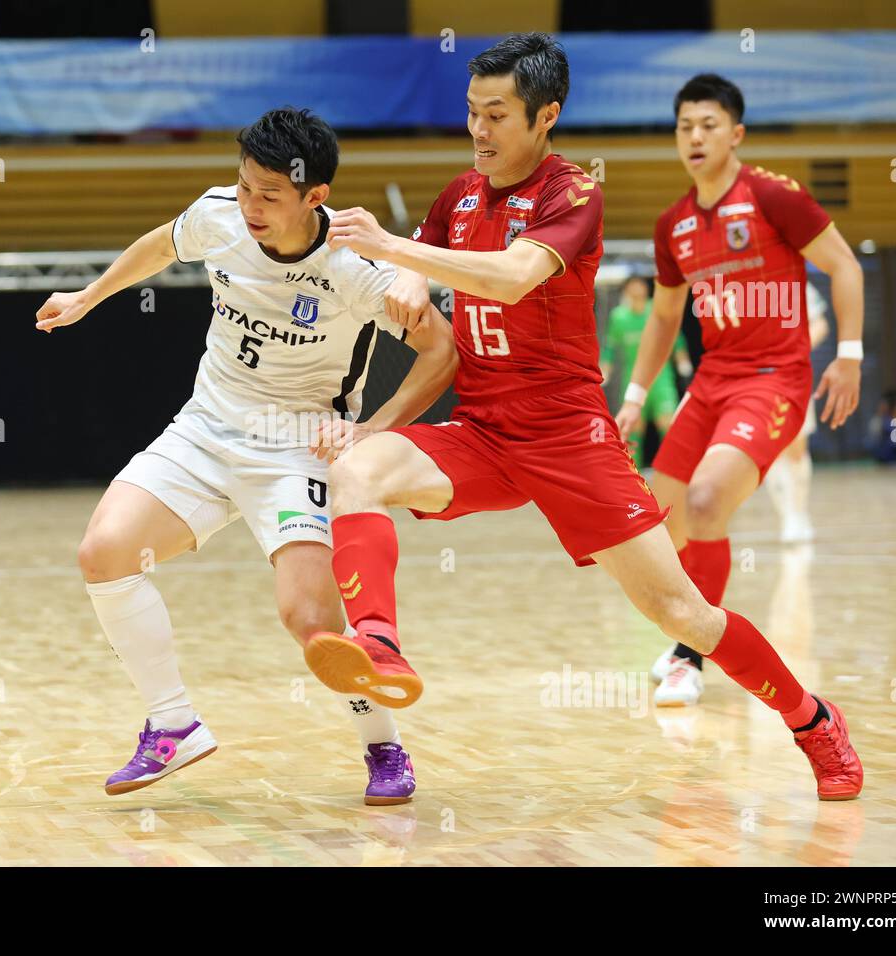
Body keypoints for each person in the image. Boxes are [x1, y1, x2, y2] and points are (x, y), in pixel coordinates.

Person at [300, 36, 862, 801]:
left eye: (497, 114)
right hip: (484, 432)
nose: (479, 130)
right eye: (471, 113)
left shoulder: (574, 194)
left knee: (682, 612)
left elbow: (510, 278)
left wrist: (398, 249)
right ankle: (380, 643)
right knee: (356, 467)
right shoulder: (459, 195)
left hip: (571, 439)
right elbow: (424, 253)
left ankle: (812, 719)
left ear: (545, 116)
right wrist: (401, 271)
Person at [34, 107, 457, 804]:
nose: (250, 205)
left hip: (295, 447)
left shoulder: (357, 271)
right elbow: (162, 244)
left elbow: (440, 352)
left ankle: (384, 746)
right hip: (206, 428)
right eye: (244, 185)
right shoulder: (221, 214)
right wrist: (89, 297)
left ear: (314, 197)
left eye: (269, 194)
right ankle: (173, 726)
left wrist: (369, 432)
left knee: (311, 620)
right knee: (103, 553)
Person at [616, 74, 865, 706]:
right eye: (684, 127)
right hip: (711, 382)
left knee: (703, 504)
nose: (695, 137)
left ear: (736, 134)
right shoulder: (673, 224)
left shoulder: (773, 197)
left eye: (708, 125)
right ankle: (687, 627)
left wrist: (850, 357)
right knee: (655, 521)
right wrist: (636, 398)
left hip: (774, 380)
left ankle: (688, 656)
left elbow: (845, 265)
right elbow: (666, 319)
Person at [600, 274, 693, 468]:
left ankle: (674, 469)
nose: (636, 290)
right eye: (632, 286)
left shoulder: (655, 310)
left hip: (661, 379)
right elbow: (610, 346)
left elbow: (675, 337)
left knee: (668, 425)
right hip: (632, 378)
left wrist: (683, 361)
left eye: (639, 285)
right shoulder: (619, 316)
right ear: (625, 291)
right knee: (632, 429)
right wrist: (604, 370)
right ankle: (634, 474)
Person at [763, 282, 830, 543]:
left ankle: (799, 512)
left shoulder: (795, 282)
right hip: (753, 379)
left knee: (796, 447)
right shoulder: (738, 286)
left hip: (793, 376)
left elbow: (820, 324)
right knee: (769, 450)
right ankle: (786, 516)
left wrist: (793, 351)